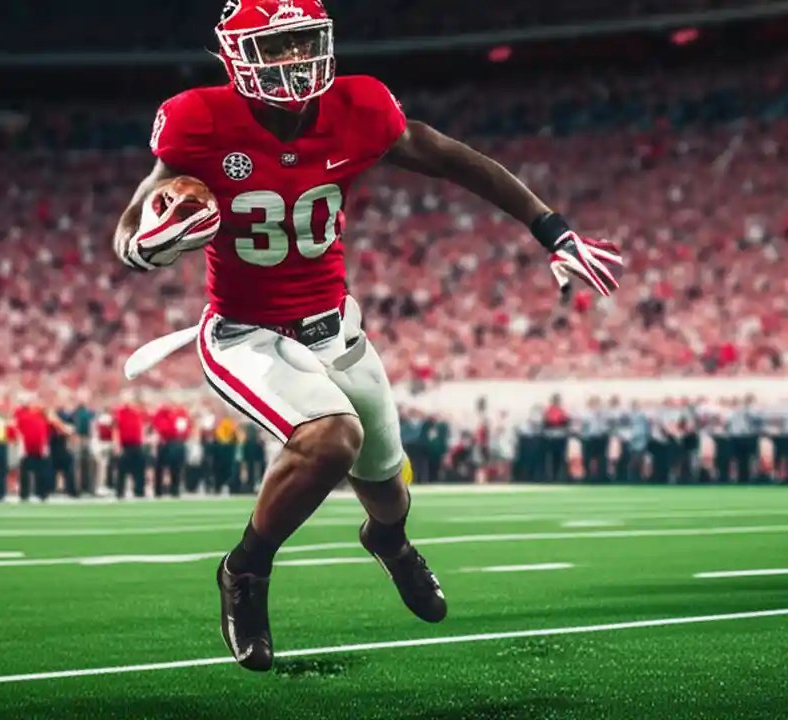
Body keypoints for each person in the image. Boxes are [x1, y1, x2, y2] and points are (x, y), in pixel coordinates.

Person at [113, 0, 621, 671]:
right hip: (245, 333)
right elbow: (129, 226)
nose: (295, 60)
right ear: (236, 57)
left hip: (335, 328)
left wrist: (551, 230)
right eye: (279, 47)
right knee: (332, 437)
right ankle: (245, 570)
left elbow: (453, 158)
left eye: (303, 43)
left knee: (387, 488)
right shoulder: (198, 121)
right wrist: (142, 248)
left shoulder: (360, 108)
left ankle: (389, 543)